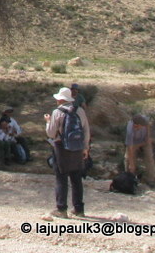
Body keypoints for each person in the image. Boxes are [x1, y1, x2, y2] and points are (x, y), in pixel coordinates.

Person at [45, 86, 91, 219]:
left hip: (61, 148)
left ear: (60, 99)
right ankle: (79, 209)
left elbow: (51, 133)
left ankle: (61, 209)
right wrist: (85, 148)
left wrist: (48, 122)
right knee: (76, 179)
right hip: (77, 147)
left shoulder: (57, 112)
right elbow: (86, 130)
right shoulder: (80, 111)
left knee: (61, 178)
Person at [125, 114, 155, 185]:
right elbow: (130, 148)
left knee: (149, 158)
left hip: (145, 141)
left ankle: (150, 180)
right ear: (136, 125)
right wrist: (131, 164)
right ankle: (129, 178)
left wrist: (148, 137)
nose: (143, 127)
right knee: (128, 159)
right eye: (141, 126)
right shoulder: (130, 130)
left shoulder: (144, 119)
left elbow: (147, 124)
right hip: (134, 142)